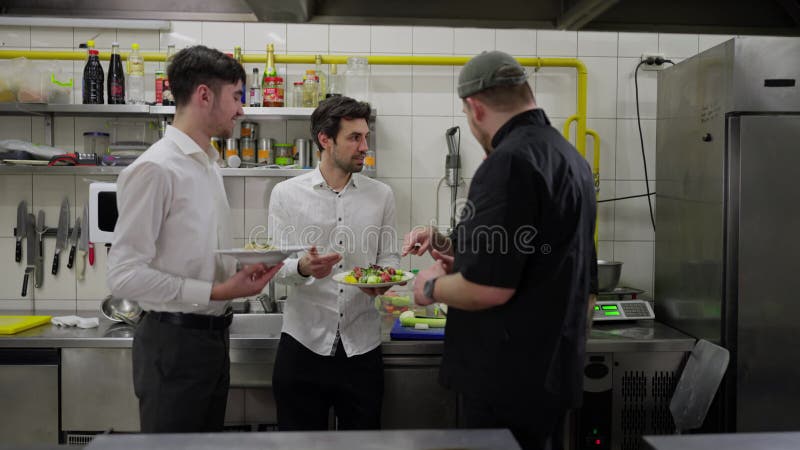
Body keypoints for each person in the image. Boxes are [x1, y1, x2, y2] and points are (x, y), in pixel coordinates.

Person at [404, 50, 598, 450]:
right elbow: (537, 259)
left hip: (506, 384)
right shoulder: (571, 157)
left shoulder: (508, 161)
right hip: (550, 376)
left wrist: (428, 287)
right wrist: (455, 251)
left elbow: (488, 289)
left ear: (475, 108)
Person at [107, 45, 282, 433]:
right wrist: (217, 291)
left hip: (211, 341)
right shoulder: (156, 168)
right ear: (204, 95)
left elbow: (194, 253)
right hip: (173, 344)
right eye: (236, 97)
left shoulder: (208, 165)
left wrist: (241, 272)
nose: (241, 110)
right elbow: (124, 275)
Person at [268, 96, 400, 431]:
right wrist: (303, 267)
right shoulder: (285, 194)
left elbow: (389, 258)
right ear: (325, 139)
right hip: (303, 345)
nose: (364, 147)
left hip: (362, 347)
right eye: (354, 137)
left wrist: (381, 282)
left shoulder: (382, 195)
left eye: (365, 137)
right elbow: (276, 267)